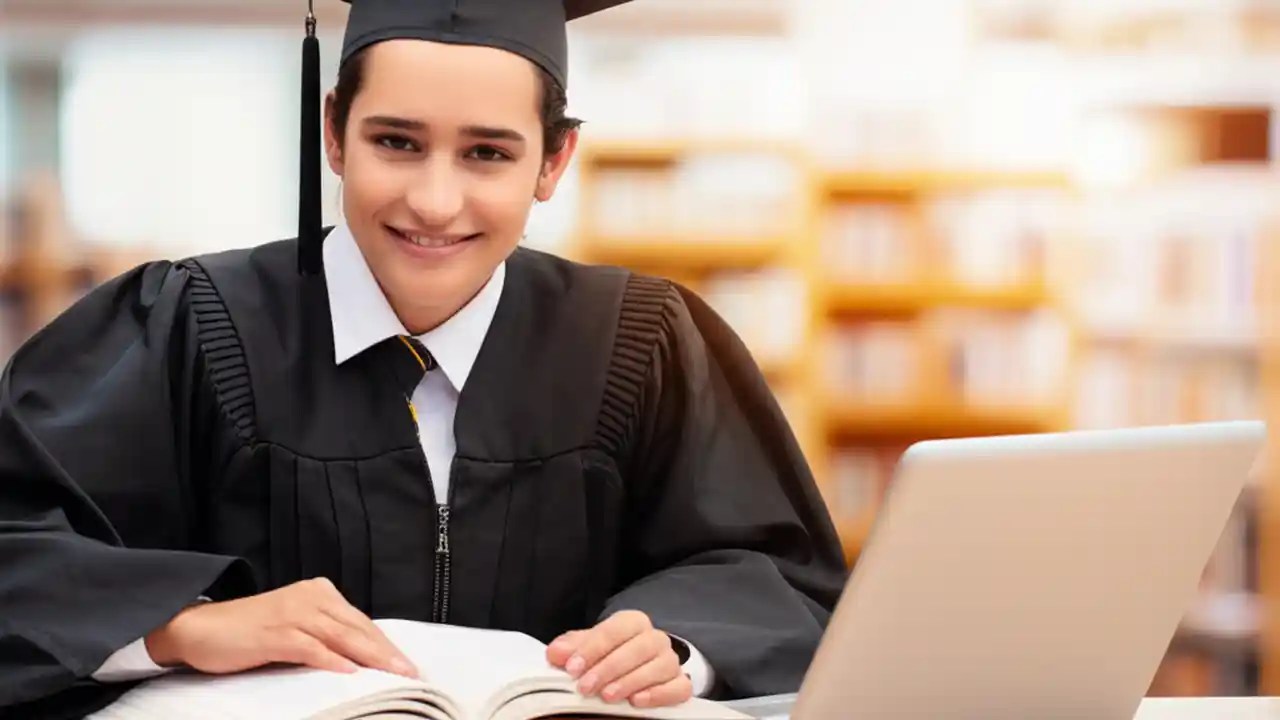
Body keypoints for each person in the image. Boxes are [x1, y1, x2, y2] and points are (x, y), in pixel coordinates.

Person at [0, 0, 848, 716]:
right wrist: (174, 626)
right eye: (396, 143)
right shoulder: (187, 327)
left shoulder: (642, 343)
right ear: (334, 133)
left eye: (488, 152)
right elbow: (19, 545)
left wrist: (677, 644)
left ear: (554, 161)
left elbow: (775, 571)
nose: (435, 203)